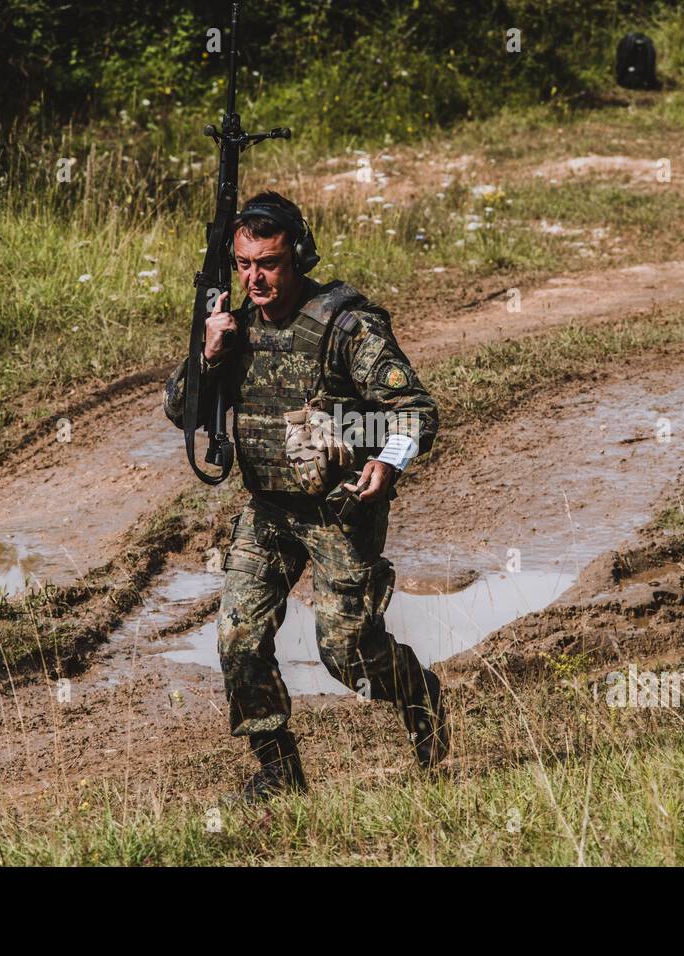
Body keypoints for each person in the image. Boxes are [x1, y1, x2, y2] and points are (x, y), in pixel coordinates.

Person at [163, 191, 447, 799]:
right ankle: (278, 771)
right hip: (267, 512)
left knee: (346, 653)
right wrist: (209, 354)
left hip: (341, 512)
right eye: (243, 264)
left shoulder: (346, 325)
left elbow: (414, 408)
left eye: (267, 263)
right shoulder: (231, 328)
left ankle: (418, 693)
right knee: (238, 640)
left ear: (298, 256)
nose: (254, 278)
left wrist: (388, 462)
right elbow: (178, 409)